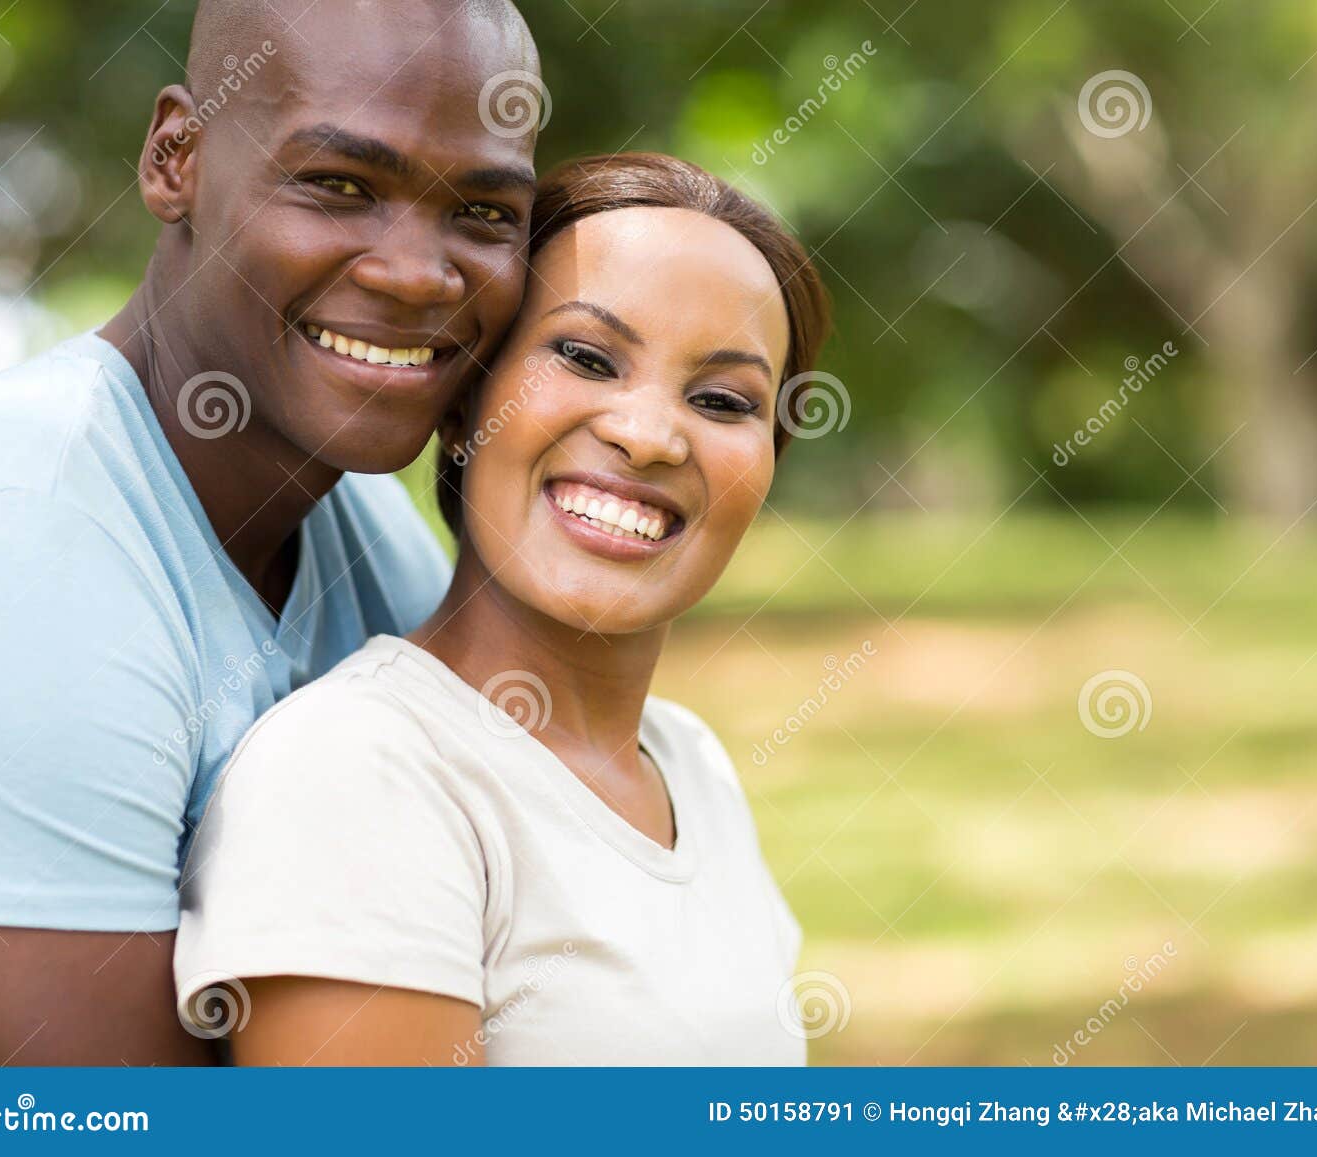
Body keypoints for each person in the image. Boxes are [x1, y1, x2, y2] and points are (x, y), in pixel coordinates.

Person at [0, 0, 540, 1066]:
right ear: (177, 155)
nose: (418, 273)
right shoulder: (10, 541)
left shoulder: (365, 531)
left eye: (486, 213)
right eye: (340, 186)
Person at [173, 153, 832, 1065]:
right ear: (463, 400)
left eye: (723, 400)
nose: (646, 435)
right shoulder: (363, 772)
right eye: (586, 356)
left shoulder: (692, 766)